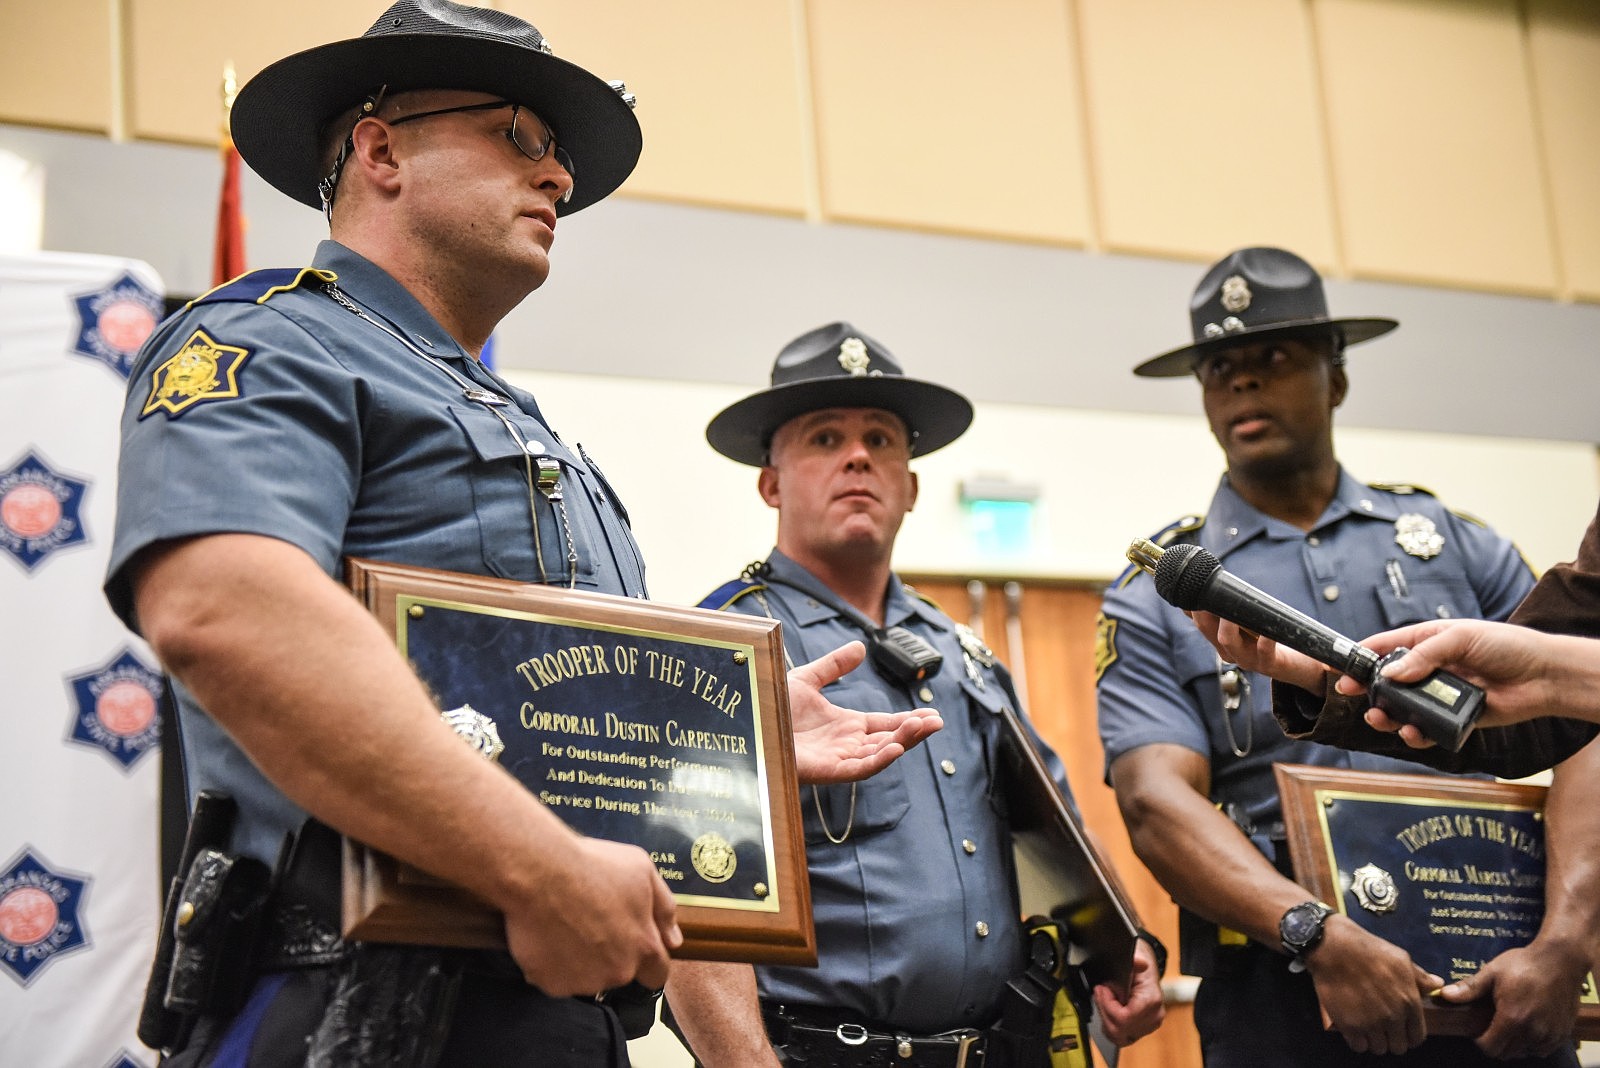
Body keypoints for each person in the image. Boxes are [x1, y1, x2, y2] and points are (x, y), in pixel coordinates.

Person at [105, 5, 938, 1066]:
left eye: (560, 158)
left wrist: (717, 737)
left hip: (562, 1023)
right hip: (342, 1009)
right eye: (520, 137)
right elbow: (223, 610)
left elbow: (591, 779)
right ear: (380, 147)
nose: (558, 180)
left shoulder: (540, 437)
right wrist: (540, 867)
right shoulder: (267, 341)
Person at [1095, 246, 1594, 1065]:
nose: (1243, 384)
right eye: (1221, 369)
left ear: (1337, 378)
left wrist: (1568, 941)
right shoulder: (1164, 585)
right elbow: (1155, 803)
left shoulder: (1459, 548)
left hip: (1502, 977)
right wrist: (1317, 936)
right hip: (1285, 995)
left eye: (1274, 359)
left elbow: (1584, 719)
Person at [664, 322, 1166, 1066]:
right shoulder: (725, 650)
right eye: (825, 439)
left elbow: (1055, 832)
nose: (859, 456)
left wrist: (1126, 944)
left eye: (881, 440)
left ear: (911, 486)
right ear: (771, 482)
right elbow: (686, 888)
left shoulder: (962, 654)